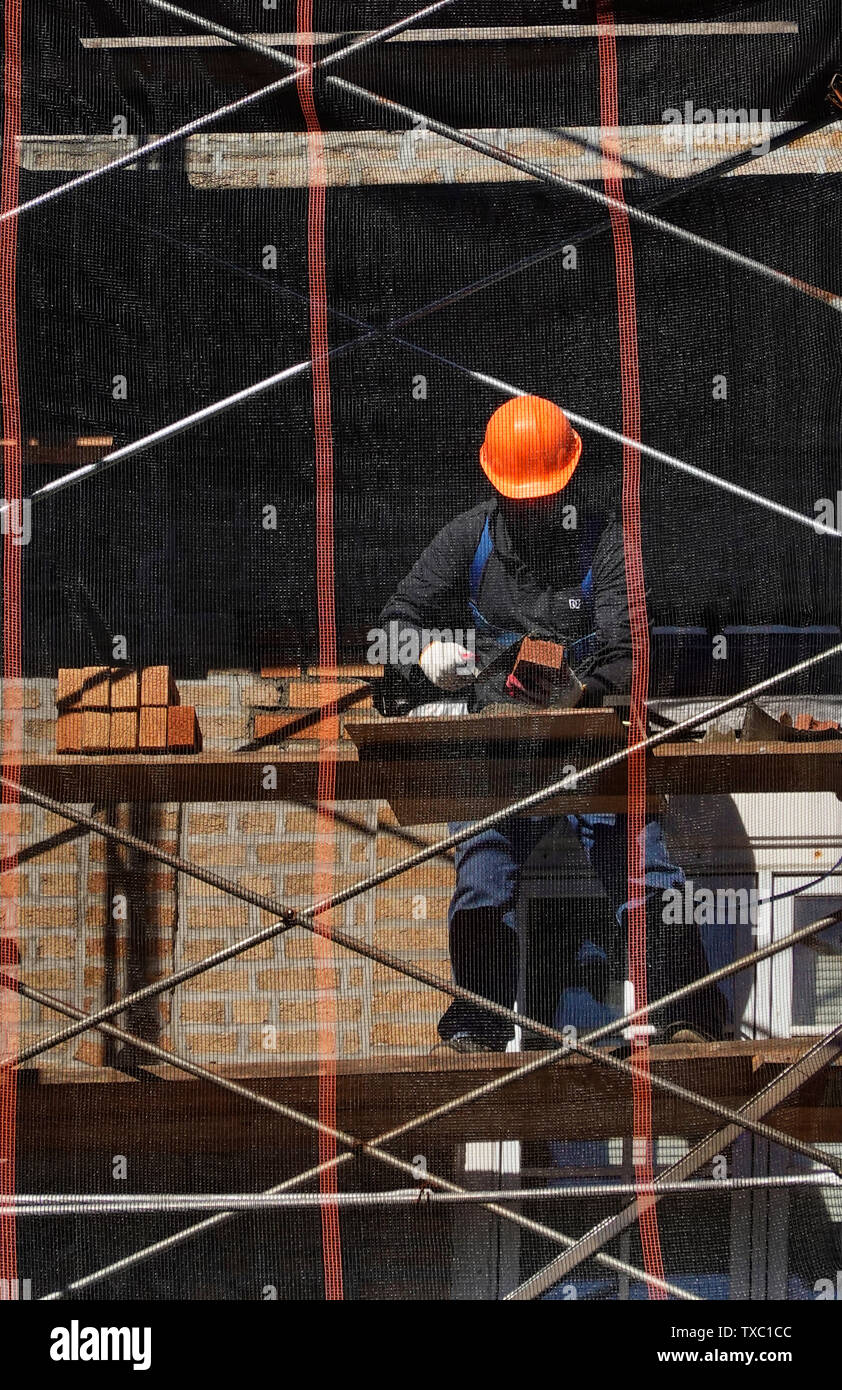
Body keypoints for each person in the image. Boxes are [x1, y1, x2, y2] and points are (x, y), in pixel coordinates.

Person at [375, 395, 727, 1052]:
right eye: (522, 495)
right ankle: (479, 1026)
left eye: (545, 495)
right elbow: (393, 624)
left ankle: (688, 1021)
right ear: (495, 482)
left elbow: (638, 652)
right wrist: (424, 656)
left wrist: (583, 690)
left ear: (568, 479)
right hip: (500, 741)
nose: (535, 507)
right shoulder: (470, 536)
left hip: (592, 741)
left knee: (640, 865)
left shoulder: (609, 543)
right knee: (483, 870)